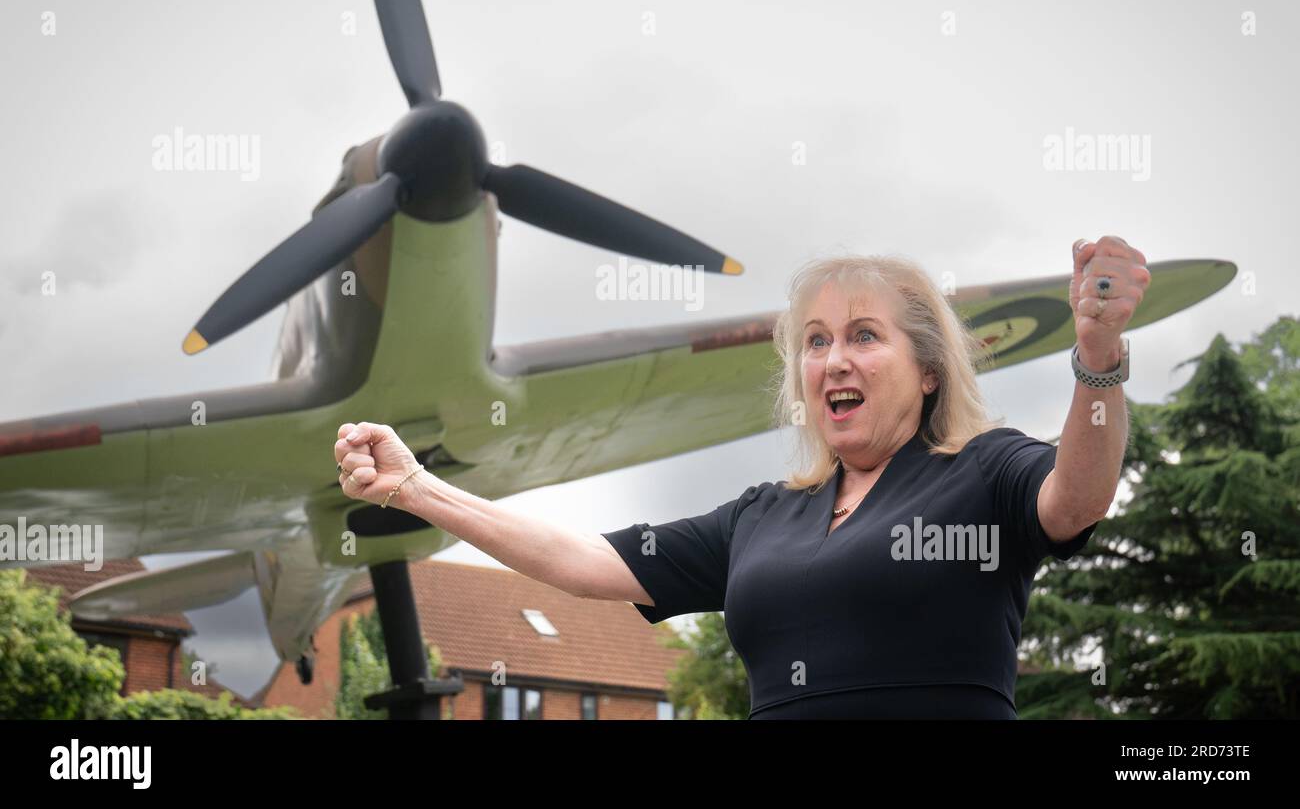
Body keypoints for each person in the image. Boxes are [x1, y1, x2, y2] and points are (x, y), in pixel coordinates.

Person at [333, 236, 1149, 719]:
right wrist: (416, 487)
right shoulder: (764, 517)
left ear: (929, 371)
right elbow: (583, 562)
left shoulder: (981, 472)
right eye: (816, 341)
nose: (833, 360)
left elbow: (1077, 496)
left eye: (864, 336)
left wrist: (1099, 358)